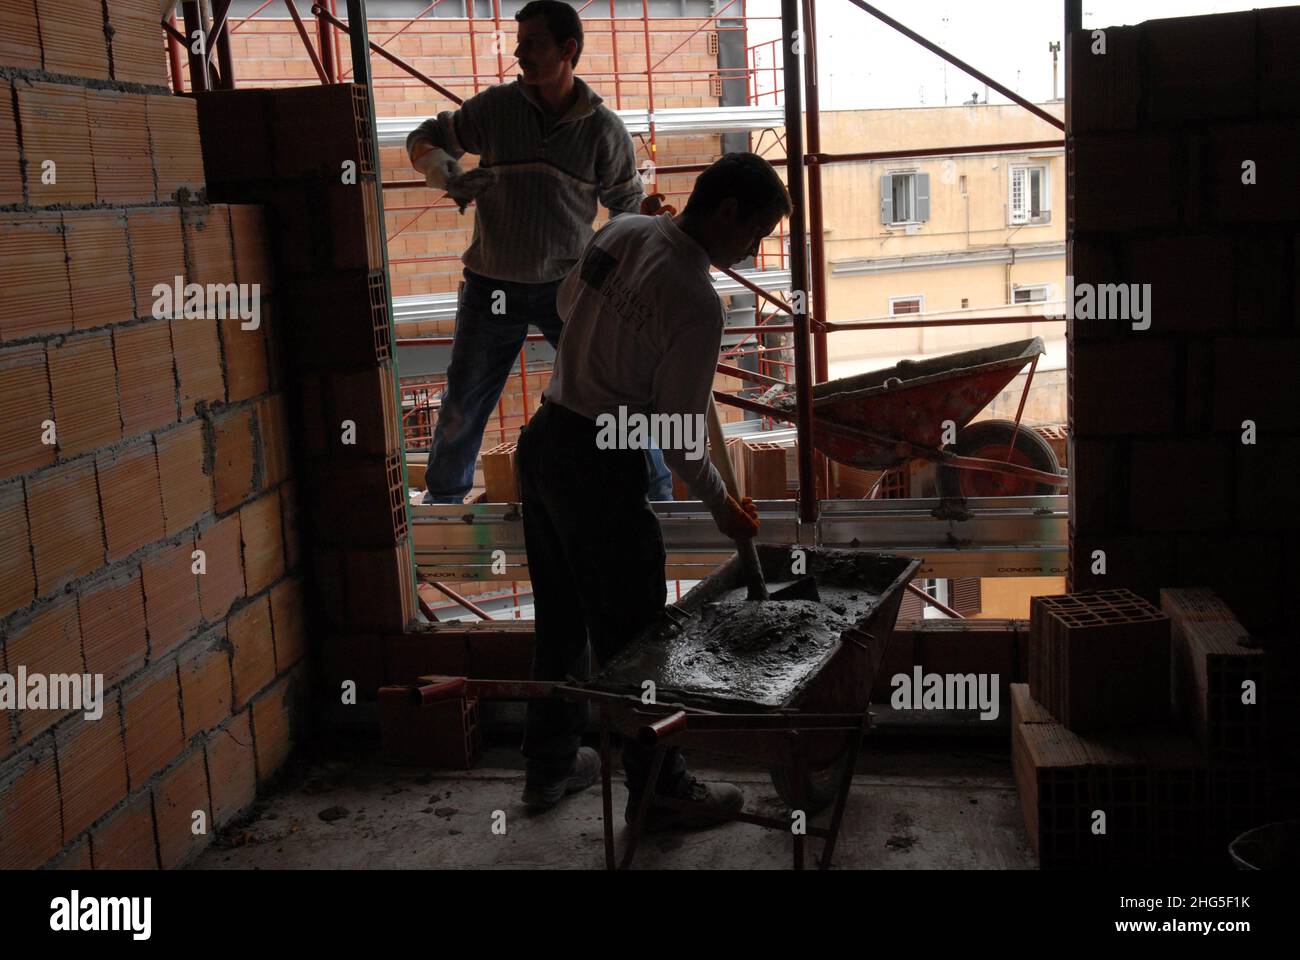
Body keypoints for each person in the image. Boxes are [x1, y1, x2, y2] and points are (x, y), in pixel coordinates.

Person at [517, 153, 792, 828]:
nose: (751, 251)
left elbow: (561, 304)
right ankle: (660, 791)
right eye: (754, 234)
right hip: (597, 470)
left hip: (546, 440)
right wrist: (723, 506)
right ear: (727, 211)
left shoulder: (623, 233)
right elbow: (678, 434)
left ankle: (551, 767)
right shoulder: (697, 303)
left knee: (561, 620)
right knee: (640, 639)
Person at [405, 0, 673, 505]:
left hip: (567, 289)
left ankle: (656, 498)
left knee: (614, 394)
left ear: (567, 49)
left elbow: (626, 212)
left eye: (532, 43)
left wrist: (620, 281)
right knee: (464, 401)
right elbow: (424, 138)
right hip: (492, 286)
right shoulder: (495, 110)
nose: (519, 53)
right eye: (518, 40)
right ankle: (443, 504)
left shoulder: (602, 130)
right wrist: (449, 174)